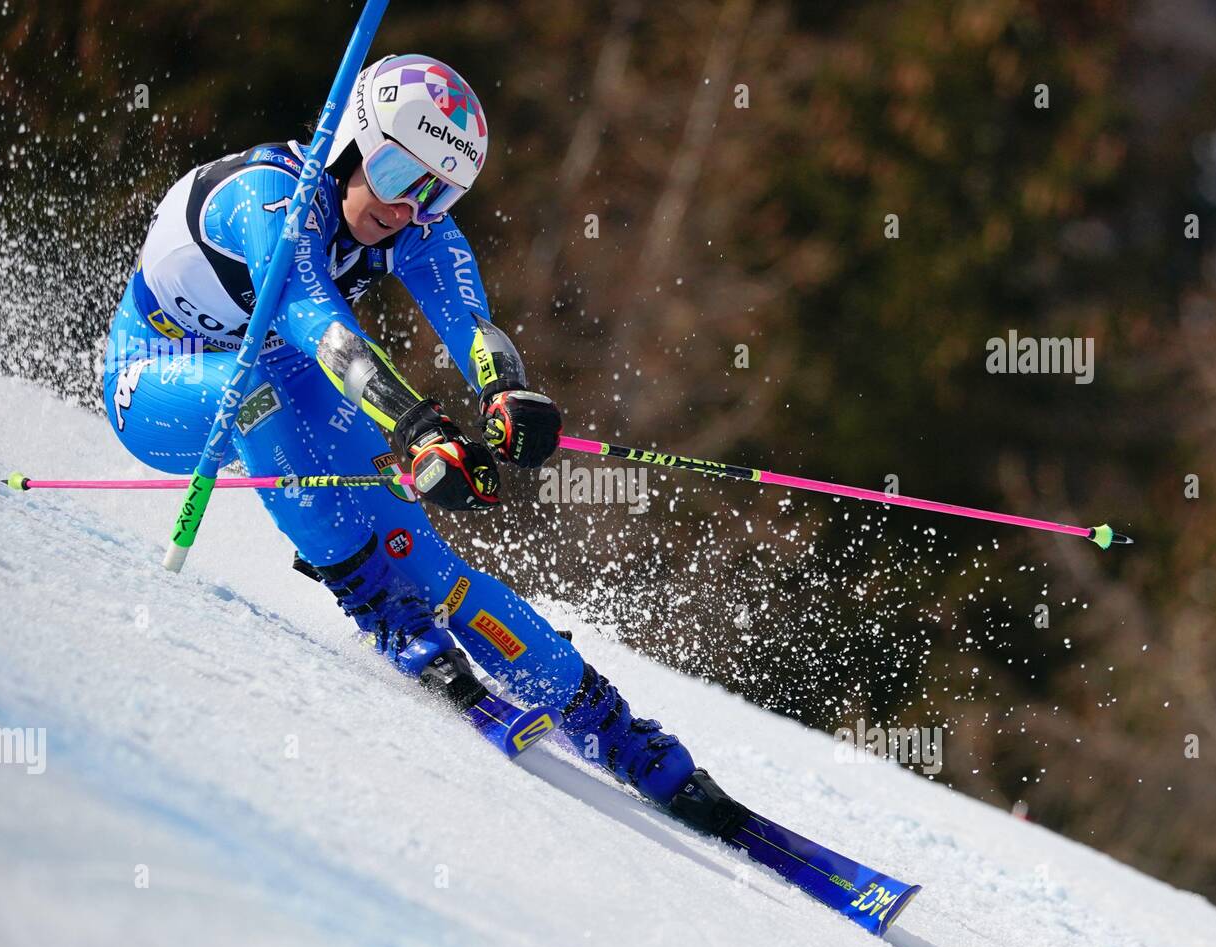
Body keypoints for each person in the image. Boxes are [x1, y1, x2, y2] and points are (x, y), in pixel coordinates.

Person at [101, 53, 746, 836]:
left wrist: (505, 392)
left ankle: (614, 727)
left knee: (419, 551)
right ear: (353, 142)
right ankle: (375, 605)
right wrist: (414, 428)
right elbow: (317, 322)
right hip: (160, 383)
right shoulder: (270, 198)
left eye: (441, 191)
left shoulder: (415, 224)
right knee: (263, 383)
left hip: (283, 377)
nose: (413, 207)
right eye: (403, 172)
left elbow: (471, 323)